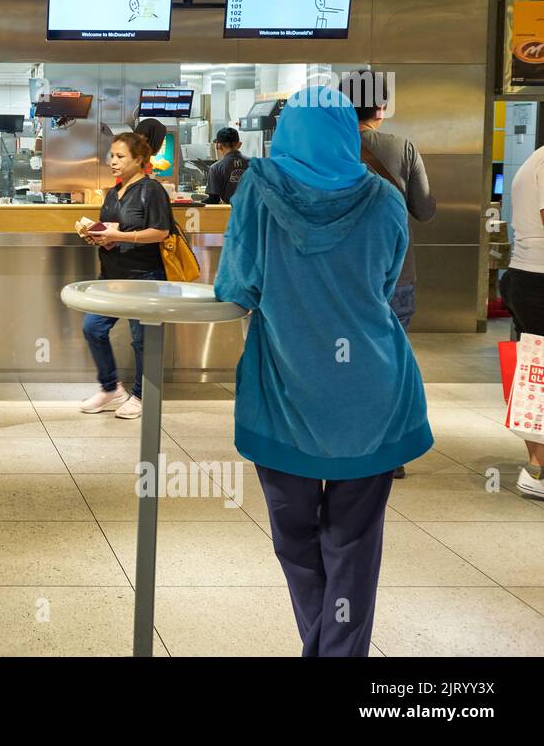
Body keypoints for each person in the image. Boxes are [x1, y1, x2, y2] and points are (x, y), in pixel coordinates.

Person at [215, 85, 432, 657]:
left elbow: (237, 286)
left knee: (294, 540)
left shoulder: (257, 192)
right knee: (355, 543)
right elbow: (387, 287)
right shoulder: (385, 198)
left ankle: (326, 647)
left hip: (285, 390)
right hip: (373, 392)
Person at [345, 74, 436, 479]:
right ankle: (388, 451)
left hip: (343, 276)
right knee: (392, 358)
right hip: (396, 273)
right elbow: (425, 209)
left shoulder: (331, 147)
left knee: (345, 356)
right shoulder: (404, 148)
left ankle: (347, 442)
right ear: (381, 108)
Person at [77, 132, 173, 420]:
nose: (113, 161)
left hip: (143, 275)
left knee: (142, 338)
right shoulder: (111, 192)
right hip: (111, 275)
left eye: (120, 157)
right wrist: (99, 237)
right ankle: (110, 388)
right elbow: (110, 229)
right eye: (112, 156)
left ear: (139, 160)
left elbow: (161, 231)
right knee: (93, 327)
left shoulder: (151, 190)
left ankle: (142, 395)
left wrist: (118, 234)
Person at [496, 143, 544, 501]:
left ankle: (537, 468)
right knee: (536, 373)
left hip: (529, 277)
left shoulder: (536, 160)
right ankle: (537, 469)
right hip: (538, 278)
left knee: (535, 371)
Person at [205, 127, 249, 204]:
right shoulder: (254, 164)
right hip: (254, 212)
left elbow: (214, 200)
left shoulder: (216, 168)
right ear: (239, 144)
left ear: (218, 146)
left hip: (230, 213)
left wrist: (196, 203)